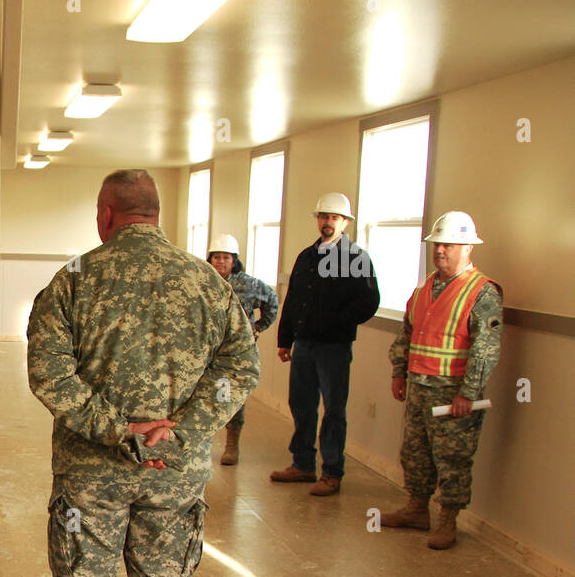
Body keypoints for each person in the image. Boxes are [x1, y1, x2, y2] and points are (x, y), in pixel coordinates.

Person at [26, 169, 259, 577]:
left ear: (106, 213)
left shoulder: (74, 279)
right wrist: (183, 426)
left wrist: (112, 426)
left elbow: (48, 372)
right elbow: (241, 364)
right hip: (172, 473)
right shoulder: (207, 281)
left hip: (90, 478)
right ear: (156, 213)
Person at [384, 212, 501, 549]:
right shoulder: (425, 286)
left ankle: (447, 520)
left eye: (448, 245)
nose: (440, 251)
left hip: (453, 394)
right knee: (415, 452)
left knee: (452, 458)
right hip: (419, 387)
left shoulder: (483, 292)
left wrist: (470, 393)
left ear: (467, 248)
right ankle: (417, 509)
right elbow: (407, 331)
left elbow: (486, 349)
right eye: (437, 244)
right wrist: (398, 371)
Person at [271, 193, 380, 496]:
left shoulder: (354, 257)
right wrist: (285, 339)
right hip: (304, 345)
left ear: (345, 222)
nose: (327, 222)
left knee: (333, 409)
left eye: (334, 217)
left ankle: (332, 472)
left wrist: (339, 323)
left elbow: (369, 301)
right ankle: (303, 464)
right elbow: (292, 300)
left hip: (334, 347)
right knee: (301, 405)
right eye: (323, 216)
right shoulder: (307, 256)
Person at [207, 234, 278, 465]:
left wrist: (258, 327)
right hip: (209, 351)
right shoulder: (204, 282)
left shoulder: (249, 285)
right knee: (208, 396)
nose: (220, 262)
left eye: (226, 257)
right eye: (216, 257)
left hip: (237, 354)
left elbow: (272, 302)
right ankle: (203, 442)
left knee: (233, 397)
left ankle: (231, 445)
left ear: (234, 260)